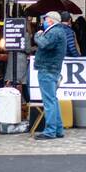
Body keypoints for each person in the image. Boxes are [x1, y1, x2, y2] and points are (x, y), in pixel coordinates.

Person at [32, 11, 70, 140]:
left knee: (49, 101)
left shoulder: (54, 32)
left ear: (52, 21)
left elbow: (44, 44)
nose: (43, 21)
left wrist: (37, 36)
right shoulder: (60, 31)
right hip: (53, 69)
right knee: (53, 100)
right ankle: (58, 129)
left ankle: (50, 131)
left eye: (46, 19)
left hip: (47, 69)